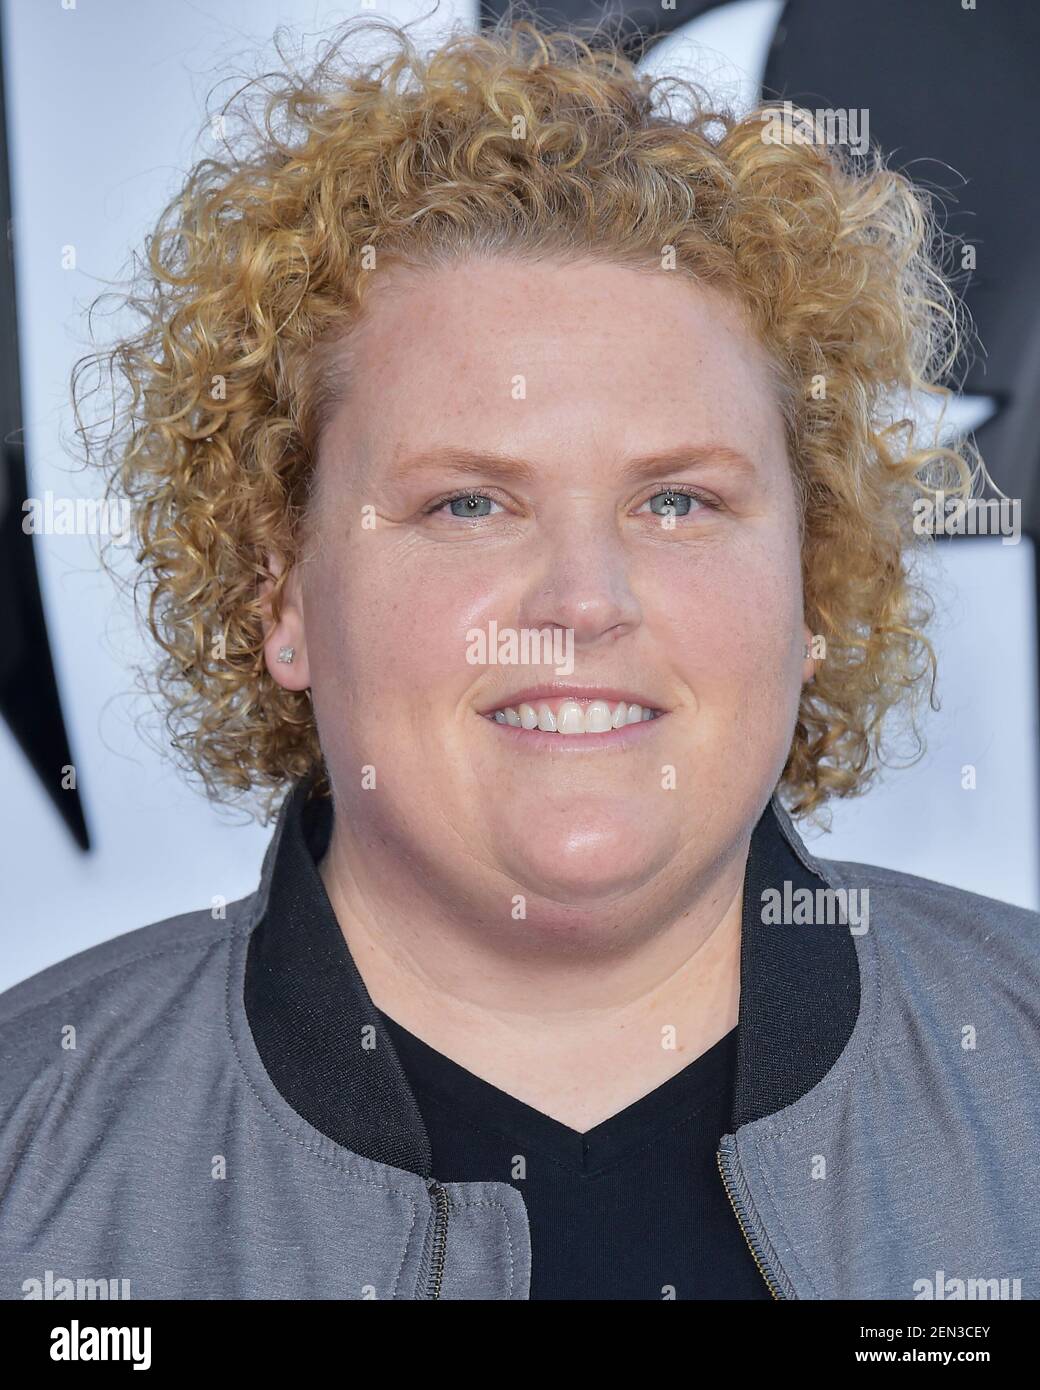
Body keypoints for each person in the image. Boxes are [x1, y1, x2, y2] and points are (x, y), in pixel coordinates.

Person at [1, 13, 1037, 1302]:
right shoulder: (28, 1151)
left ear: (812, 582)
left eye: (677, 502)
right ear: (283, 592)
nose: (583, 602)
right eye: (469, 506)